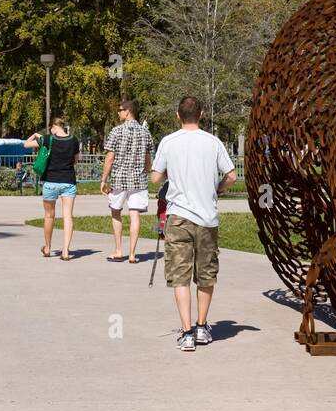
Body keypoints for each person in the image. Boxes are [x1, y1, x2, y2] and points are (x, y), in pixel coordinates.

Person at [149, 96, 236, 352]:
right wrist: (217, 189)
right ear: (201, 115)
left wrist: (170, 172)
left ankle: (186, 332)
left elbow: (155, 177)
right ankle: (201, 326)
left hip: (179, 217)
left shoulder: (168, 142)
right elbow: (231, 175)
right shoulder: (213, 142)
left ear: (178, 115)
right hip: (207, 218)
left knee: (180, 275)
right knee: (206, 273)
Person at [100, 99, 155, 263]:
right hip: (138, 181)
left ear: (128, 111)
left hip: (119, 179)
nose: (118, 113)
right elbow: (148, 157)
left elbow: (110, 158)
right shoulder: (145, 132)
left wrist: (103, 179)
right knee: (135, 215)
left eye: (120, 110)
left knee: (116, 211)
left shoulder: (116, 131)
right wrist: (146, 171)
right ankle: (132, 254)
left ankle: (118, 250)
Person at [24, 118, 79, 260]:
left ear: (54, 126)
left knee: (49, 215)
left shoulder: (47, 140)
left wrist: (36, 134)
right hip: (68, 181)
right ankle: (65, 251)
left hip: (51, 182)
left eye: (51, 128)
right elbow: (75, 160)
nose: (50, 131)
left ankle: (47, 248)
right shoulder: (74, 140)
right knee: (68, 216)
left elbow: (26, 144)